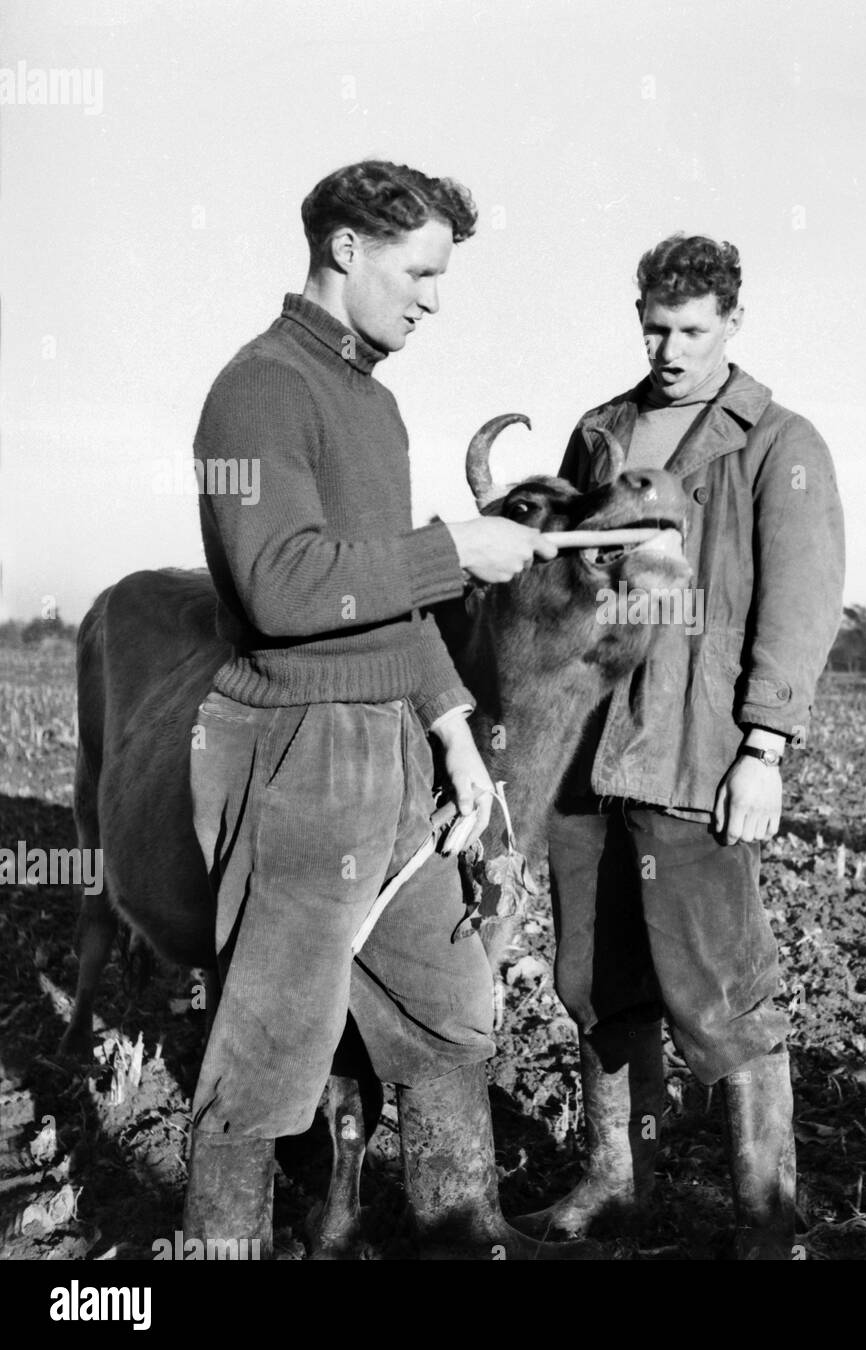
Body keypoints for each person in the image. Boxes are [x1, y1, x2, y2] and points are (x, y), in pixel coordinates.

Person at [186, 159, 561, 1257]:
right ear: (346, 248)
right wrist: (452, 551)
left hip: (394, 750)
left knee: (453, 1008)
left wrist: (451, 726)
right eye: (420, 271)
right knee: (265, 1062)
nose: (433, 300)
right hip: (300, 758)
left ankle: (463, 1228)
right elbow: (281, 584)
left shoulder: (374, 403)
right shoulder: (257, 390)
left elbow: (386, 609)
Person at [516, 233, 845, 1258]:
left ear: (732, 324)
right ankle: (615, 1186)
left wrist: (765, 749)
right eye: (655, 327)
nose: (670, 348)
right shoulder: (599, 432)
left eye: (692, 330)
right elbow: (559, 587)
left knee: (720, 997)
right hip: (583, 755)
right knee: (595, 979)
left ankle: (763, 1224)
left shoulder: (777, 444)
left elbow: (799, 605)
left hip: (694, 755)